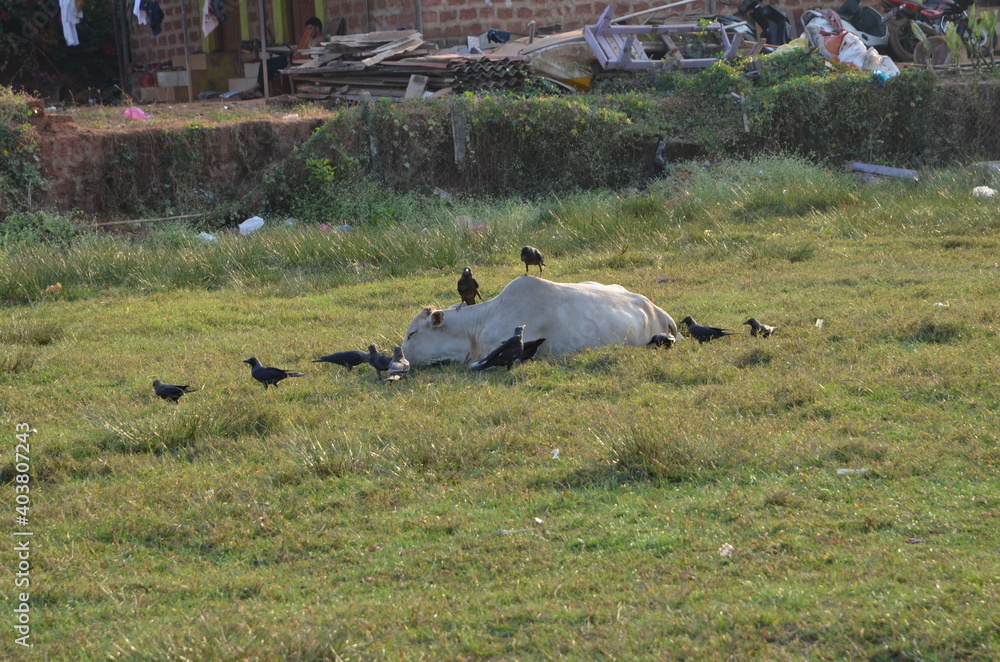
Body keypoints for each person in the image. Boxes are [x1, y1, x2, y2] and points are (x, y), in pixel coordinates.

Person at [240, 17, 323, 99]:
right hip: (293, 57)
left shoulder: (321, 39)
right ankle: (259, 90)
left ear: (317, 28)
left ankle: (254, 88)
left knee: (271, 68)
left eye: (310, 28)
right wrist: (296, 49)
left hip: (298, 61)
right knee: (264, 63)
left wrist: (300, 48)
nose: (308, 31)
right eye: (307, 29)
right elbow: (301, 48)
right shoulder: (310, 38)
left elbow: (308, 50)